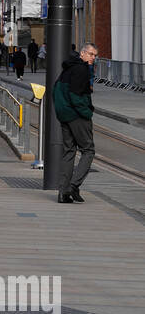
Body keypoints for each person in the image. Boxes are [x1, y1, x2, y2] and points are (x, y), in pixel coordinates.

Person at [54, 42, 98, 204]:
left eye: (95, 55)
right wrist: (86, 112)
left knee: (69, 151)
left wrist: (62, 111)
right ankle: (74, 185)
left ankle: (63, 193)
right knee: (88, 150)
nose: (93, 57)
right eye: (91, 54)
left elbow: (56, 90)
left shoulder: (68, 68)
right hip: (77, 116)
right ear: (82, 53)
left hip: (65, 116)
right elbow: (76, 95)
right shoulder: (81, 69)